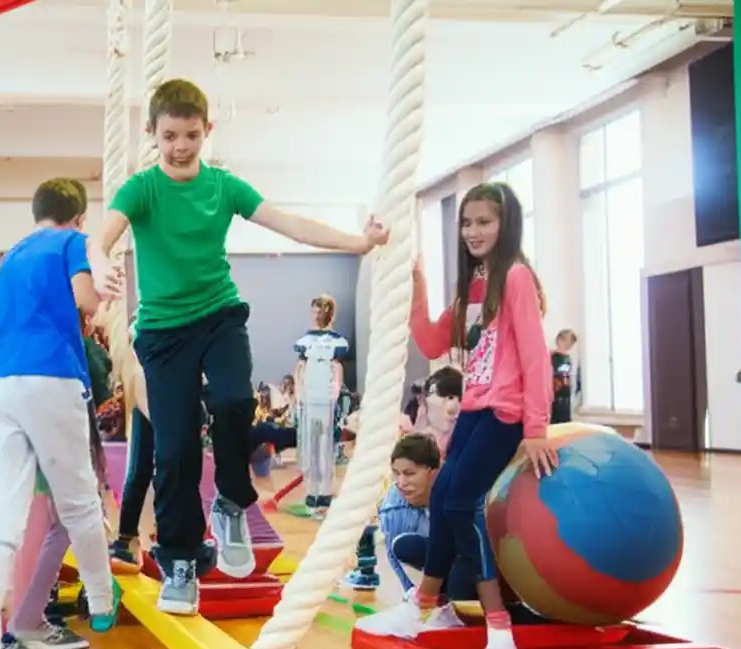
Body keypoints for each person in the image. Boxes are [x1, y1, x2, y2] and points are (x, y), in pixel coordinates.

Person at [86, 78, 390, 615]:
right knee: (174, 450)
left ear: (209, 131)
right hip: (161, 335)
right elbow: (101, 235)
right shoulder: (142, 188)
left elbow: (289, 223)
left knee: (232, 401)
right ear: (152, 133)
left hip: (220, 317)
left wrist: (357, 242)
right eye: (170, 135)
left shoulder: (224, 186)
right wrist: (104, 262)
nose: (181, 146)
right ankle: (181, 559)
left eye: (192, 135)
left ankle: (230, 501)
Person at [355, 181, 555, 649]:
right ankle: (428, 604)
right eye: (466, 222)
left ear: (507, 225)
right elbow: (428, 342)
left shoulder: (517, 279)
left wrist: (536, 430)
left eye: (484, 221)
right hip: (472, 410)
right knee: (443, 496)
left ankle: (498, 625)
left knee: (461, 501)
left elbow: (535, 356)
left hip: (504, 414)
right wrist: (418, 289)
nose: (473, 231)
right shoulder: (475, 286)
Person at [0, 179, 118, 649]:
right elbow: (85, 299)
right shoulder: (71, 243)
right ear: (78, 217)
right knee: (79, 500)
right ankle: (100, 598)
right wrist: (105, 290)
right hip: (50, 379)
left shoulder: (13, 256)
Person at [345, 366, 461, 590]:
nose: (450, 406)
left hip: (451, 508)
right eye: (442, 398)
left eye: (454, 397)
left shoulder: (464, 433)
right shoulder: (421, 428)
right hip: (419, 502)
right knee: (387, 522)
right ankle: (373, 571)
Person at [293, 294, 349, 517]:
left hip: (326, 401)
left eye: (322, 311)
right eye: (315, 311)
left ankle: (324, 493)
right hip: (308, 400)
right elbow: (299, 369)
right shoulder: (305, 341)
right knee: (309, 447)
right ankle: (312, 490)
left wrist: (334, 393)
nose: (318, 315)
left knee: (325, 448)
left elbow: (337, 370)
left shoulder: (337, 342)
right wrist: (299, 395)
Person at [551, 328, 578, 424]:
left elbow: (570, 374)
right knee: (555, 414)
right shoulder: (551, 356)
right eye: (566, 343)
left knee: (565, 413)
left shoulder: (568, 358)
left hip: (565, 391)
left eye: (569, 346)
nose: (567, 347)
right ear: (559, 340)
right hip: (554, 390)